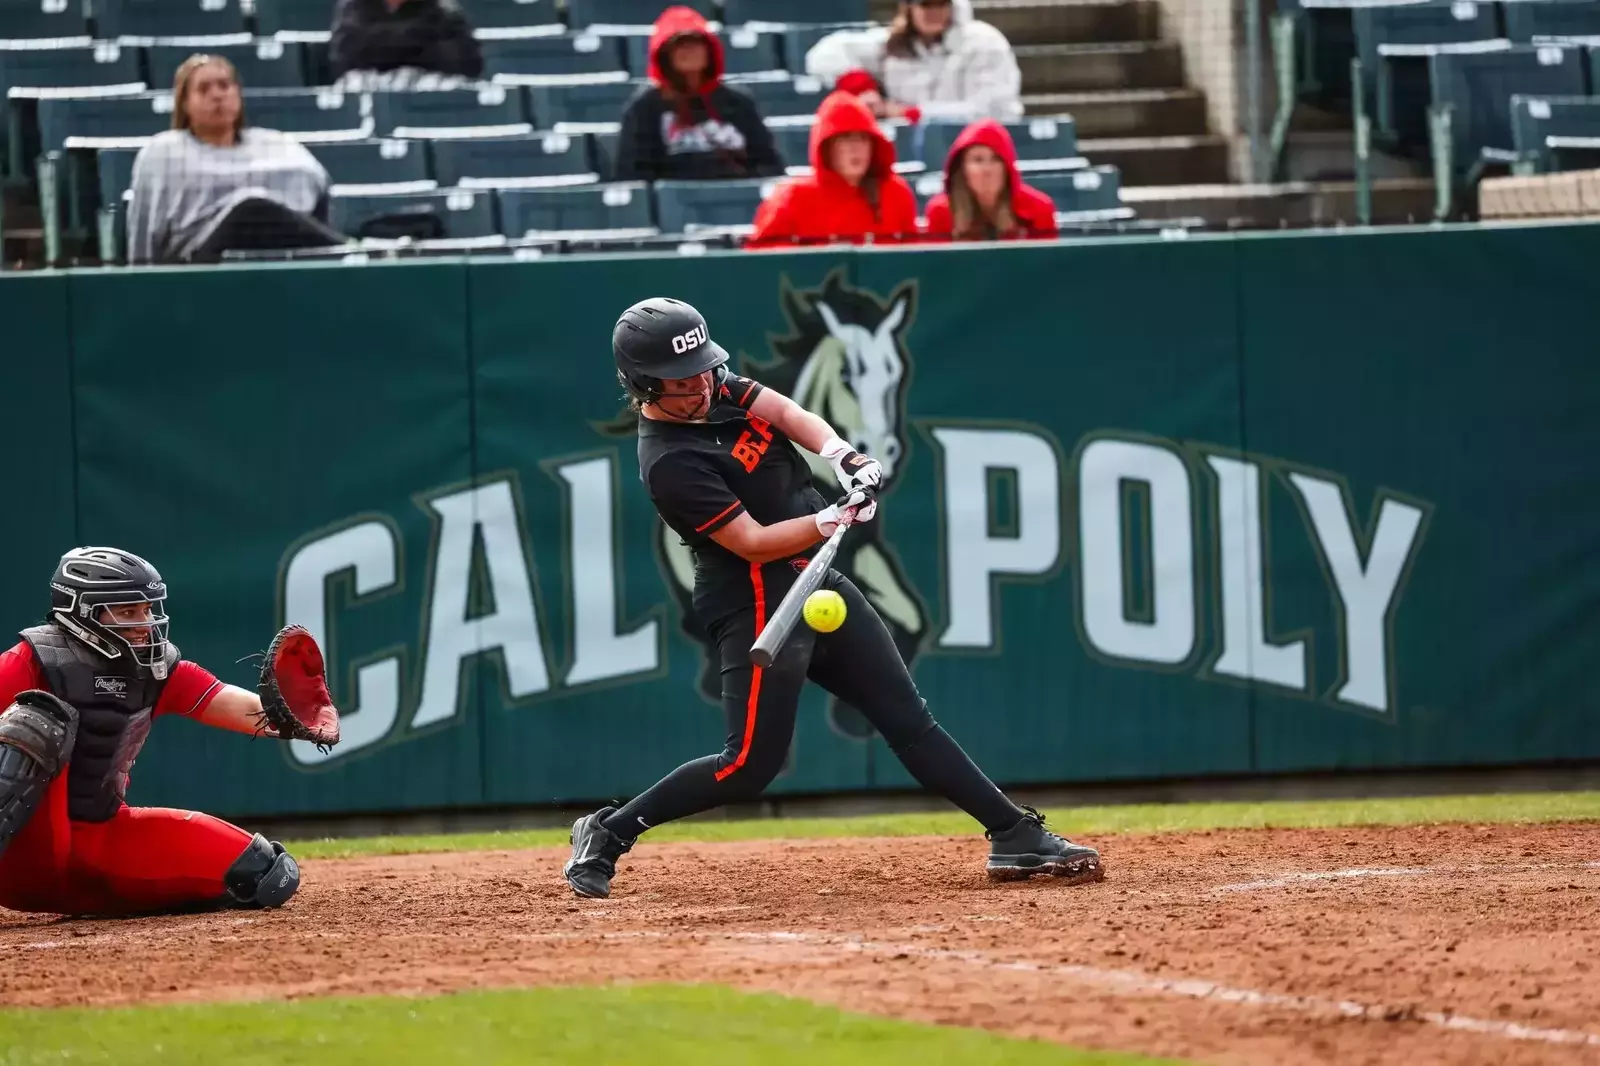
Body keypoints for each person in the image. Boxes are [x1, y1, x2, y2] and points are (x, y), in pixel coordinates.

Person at [561, 298, 1106, 900]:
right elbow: (751, 542)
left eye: (704, 370)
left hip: (812, 581)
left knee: (909, 720)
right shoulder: (669, 462)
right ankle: (609, 831)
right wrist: (829, 519)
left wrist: (842, 456)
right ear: (644, 384)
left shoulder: (717, 386)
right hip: (755, 603)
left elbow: (785, 411)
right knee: (747, 767)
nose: (703, 386)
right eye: (682, 381)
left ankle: (1014, 834)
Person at [0, 547, 335, 916]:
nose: (145, 624)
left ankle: (94, 893)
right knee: (35, 722)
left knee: (265, 873)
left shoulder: (155, 669)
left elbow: (231, 704)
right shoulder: (26, 663)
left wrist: (296, 716)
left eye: (147, 610)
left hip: (98, 835)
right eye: (128, 611)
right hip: (23, 854)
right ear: (83, 612)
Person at [126, 54, 345, 264]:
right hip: (198, 264)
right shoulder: (163, 151)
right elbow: (144, 230)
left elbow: (319, 197)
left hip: (281, 258)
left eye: (224, 86)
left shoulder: (279, 145)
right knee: (252, 210)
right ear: (184, 103)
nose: (217, 95)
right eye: (203, 89)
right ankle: (351, 254)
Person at [613, 6, 784, 182]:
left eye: (696, 43)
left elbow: (769, 164)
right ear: (664, 54)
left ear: (709, 50)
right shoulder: (645, 107)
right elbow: (633, 174)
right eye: (679, 45)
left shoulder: (738, 102)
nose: (689, 50)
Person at [745, 90, 918, 248]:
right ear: (826, 147)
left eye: (863, 139)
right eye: (845, 138)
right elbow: (762, 262)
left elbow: (914, 260)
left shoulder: (896, 193)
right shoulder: (791, 198)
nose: (856, 148)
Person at [804, 0, 1022, 124]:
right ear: (910, 7)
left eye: (941, 4)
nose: (934, 12)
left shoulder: (984, 42)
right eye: (925, 4)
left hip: (973, 147)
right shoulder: (892, 45)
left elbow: (994, 111)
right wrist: (862, 87)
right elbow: (825, 53)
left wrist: (912, 114)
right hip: (908, 145)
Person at [925, 119, 1059, 241]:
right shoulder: (940, 212)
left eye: (996, 159)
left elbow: (1048, 260)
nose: (987, 169)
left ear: (1007, 167)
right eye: (978, 160)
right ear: (961, 168)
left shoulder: (1040, 209)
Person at [328, 0, 483, 84]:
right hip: (368, 90)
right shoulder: (354, 8)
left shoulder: (444, 11)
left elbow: (466, 65)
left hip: (427, 101)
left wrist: (383, 44)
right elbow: (345, 59)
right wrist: (416, 38)